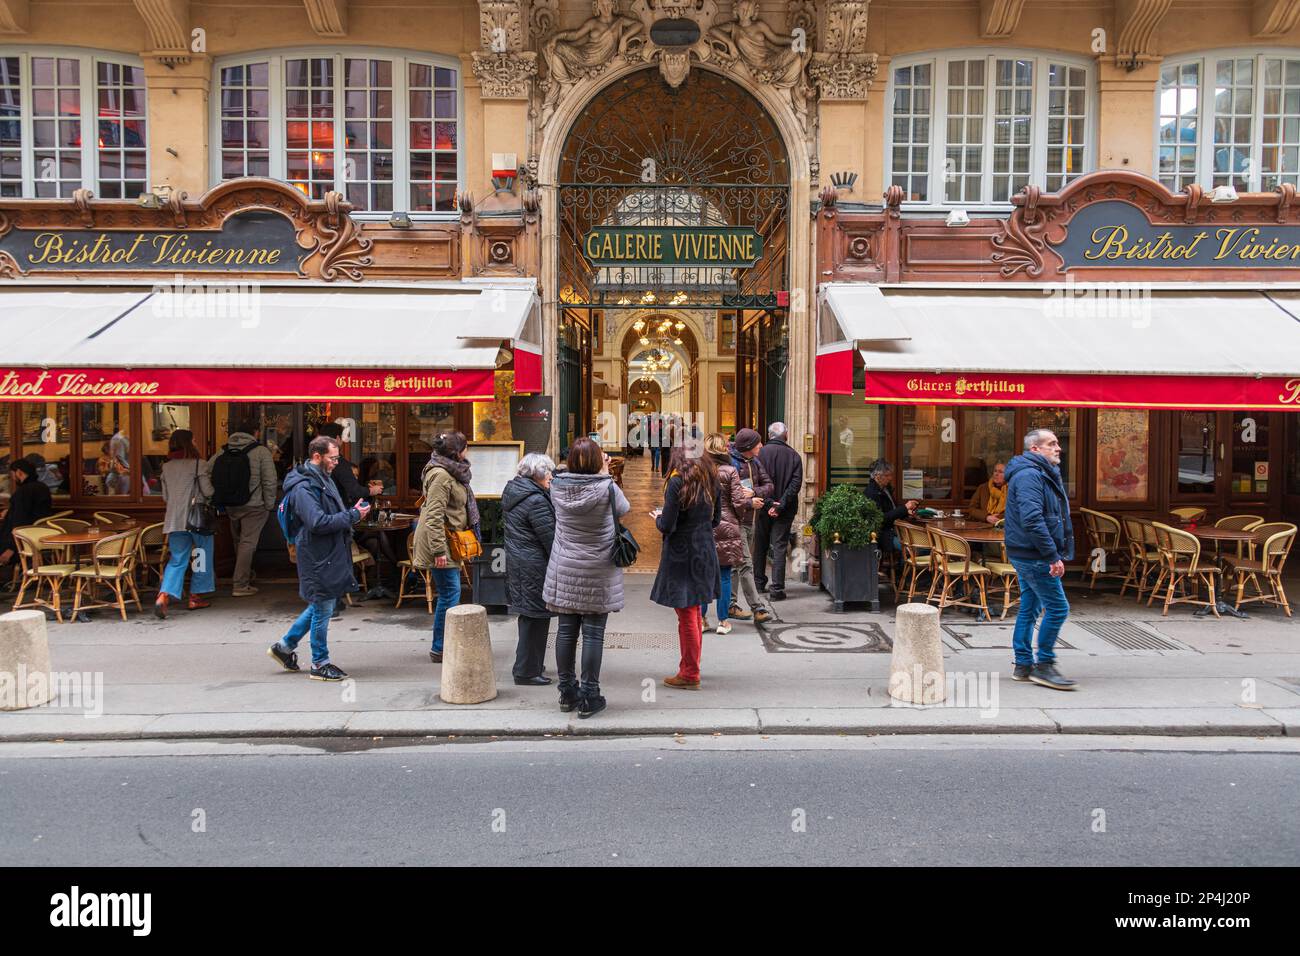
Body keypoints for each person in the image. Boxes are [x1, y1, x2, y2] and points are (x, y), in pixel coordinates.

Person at [267, 435, 370, 680]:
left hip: (326, 552)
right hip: (316, 555)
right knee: (324, 607)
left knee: (322, 604)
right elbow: (317, 522)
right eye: (332, 458)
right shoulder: (304, 487)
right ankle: (319, 663)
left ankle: (283, 647)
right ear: (317, 456)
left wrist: (351, 513)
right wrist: (353, 516)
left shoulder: (322, 478)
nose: (336, 462)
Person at [542, 437, 628, 719]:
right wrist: (605, 474)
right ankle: (590, 695)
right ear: (597, 461)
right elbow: (624, 509)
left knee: (566, 631)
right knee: (593, 633)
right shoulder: (607, 487)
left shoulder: (556, 486)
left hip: (565, 566)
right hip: (597, 567)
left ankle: (567, 692)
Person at [1004, 429, 1077, 691]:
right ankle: (1044, 665)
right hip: (1034, 555)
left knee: (1030, 609)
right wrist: (1051, 556)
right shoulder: (1030, 475)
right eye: (1052, 444)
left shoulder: (1037, 473)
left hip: (1028, 552)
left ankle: (1023, 665)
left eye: (1057, 443)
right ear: (1035, 449)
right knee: (1058, 609)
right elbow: (1032, 519)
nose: (1058, 448)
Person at [652, 444, 721, 688]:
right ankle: (690, 665)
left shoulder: (676, 482)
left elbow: (668, 525)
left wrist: (658, 518)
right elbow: (716, 519)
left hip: (681, 553)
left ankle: (690, 672)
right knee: (693, 610)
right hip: (704, 549)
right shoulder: (711, 480)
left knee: (687, 613)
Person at [414, 431, 478, 664]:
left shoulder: (450, 471)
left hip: (449, 539)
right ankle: (440, 647)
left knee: (449, 592)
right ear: (456, 452)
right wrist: (439, 551)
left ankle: (442, 645)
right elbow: (433, 516)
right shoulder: (441, 475)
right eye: (465, 447)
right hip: (441, 541)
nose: (467, 450)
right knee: (450, 593)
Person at [317, 422, 395, 595]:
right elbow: (353, 490)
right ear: (337, 439)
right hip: (342, 517)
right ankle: (393, 574)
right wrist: (371, 490)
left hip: (324, 518)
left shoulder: (314, 463)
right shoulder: (339, 464)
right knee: (375, 538)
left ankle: (375, 579)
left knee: (373, 539)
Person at [502, 453, 556, 686]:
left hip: (520, 562)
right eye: (548, 472)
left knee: (529, 616)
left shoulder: (515, 492)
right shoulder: (535, 500)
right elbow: (551, 538)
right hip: (533, 565)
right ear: (538, 474)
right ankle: (526, 671)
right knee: (536, 617)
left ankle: (531, 664)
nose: (551, 477)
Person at [209, 420, 278, 598]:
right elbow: (270, 481)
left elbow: (208, 472)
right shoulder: (261, 451)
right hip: (255, 505)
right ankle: (240, 584)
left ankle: (246, 573)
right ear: (255, 433)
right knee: (247, 543)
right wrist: (269, 504)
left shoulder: (223, 451)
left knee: (239, 541)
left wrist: (217, 496)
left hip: (231, 505)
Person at [156, 430, 216, 619]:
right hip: (196, 520)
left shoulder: (166, 467)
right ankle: (195, 597)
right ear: (189, 443)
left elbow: (165, 497)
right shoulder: (199, 464)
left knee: (177, 559)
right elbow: (208, 491)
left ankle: (164, 595)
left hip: (174, 520)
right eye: (194, 439)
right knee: (201, 556)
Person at [704, 433, 755, 635]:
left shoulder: (700, 470)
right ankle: (723, 621)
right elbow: (738, 501)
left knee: (705, 575)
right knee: (724, 575)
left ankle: (701, 620)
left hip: (704, 526)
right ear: (722, 449)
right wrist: (738, 517)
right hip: (728, 527)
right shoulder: (730, 471)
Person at [727, 428, 774, 624]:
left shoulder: (755, 462)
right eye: (758, 443)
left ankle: (730, 604)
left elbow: (769, 485)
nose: (761, 446)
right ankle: (758, 608)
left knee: (736, 566)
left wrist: (753, 492)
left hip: (750, 520)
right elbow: (726, 497)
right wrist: (748, 502)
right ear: (748, 447)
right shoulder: (730, 464)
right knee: (746, 563)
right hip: (734, 521)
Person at [753, 422, 802, 600]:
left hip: (762, 506)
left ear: (769, 435)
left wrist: (767, 504)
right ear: (786, 435)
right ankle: (777, 589)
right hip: (785, 509)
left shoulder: (759, 454)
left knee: (760, 545)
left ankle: (758, 583)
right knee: (780, 546)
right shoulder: (794, 456)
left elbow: (755, 482)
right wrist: (780, 504)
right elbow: (795, 485)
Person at [0, 457, 53, 575]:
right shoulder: (42, 487)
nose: (13, 478)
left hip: (22, 541)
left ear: (19, 472)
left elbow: (19, 521)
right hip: (38, 535)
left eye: (13, 474)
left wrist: (10, 549)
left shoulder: (23, 492)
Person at [865, 459, 918, 551]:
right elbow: (881, 519)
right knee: (911, 549)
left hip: (896, 530)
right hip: (884, 535)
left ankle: (906, 563)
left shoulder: (885, 488)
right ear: (877, 476)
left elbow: (893, 510)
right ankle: (903, 565)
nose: (890, 478)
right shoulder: (871, 493)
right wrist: (905, 508)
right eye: (887, 475)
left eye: (890, 475)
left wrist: (906, 512)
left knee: (922, 546)